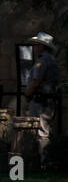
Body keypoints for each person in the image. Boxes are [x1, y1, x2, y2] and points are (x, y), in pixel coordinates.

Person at [25, 32, 60, 168]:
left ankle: (44, 163)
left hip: (41, 101)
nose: (34, 48)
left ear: (42, 46)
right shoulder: (51, 60)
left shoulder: (42, 61)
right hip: (47, 100)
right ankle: (42, 161)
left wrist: (27, 93)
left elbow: (36, 81)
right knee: (44, 130)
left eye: (36, 45)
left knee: (41, 132)